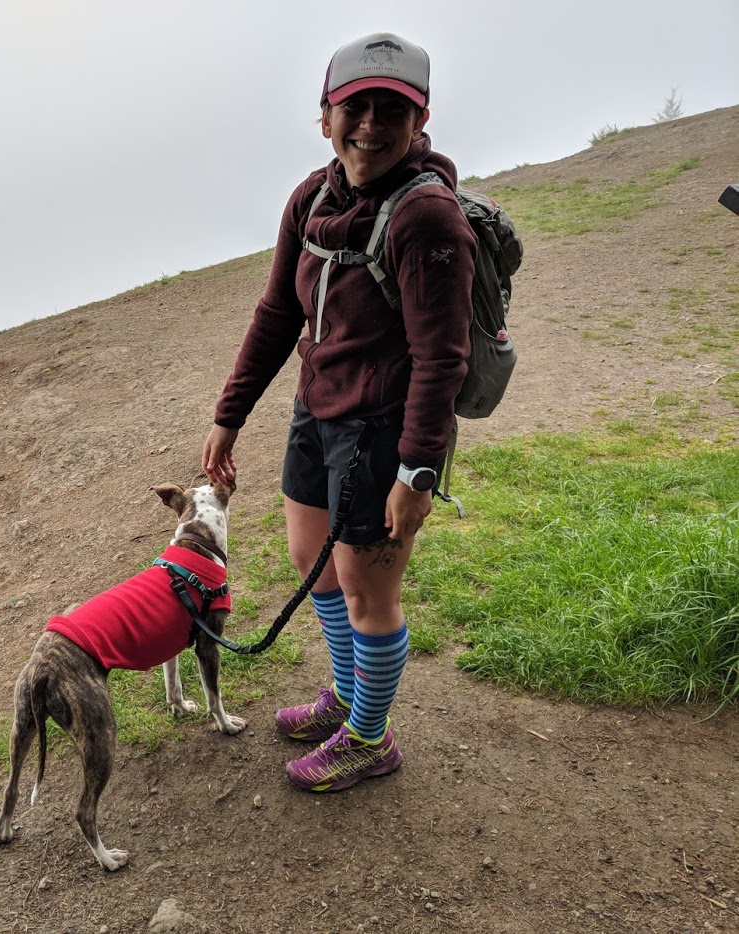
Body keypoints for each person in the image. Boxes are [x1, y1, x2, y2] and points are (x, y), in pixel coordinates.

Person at [200, 32, 476, 792]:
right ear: (324, 115)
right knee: (310, 565)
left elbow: (441, 358)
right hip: (315, 414)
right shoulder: (310, 197)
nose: (371, 124)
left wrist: (416, 472)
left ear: (419, 125)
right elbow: (273, 312)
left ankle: (368, 736)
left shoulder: (428, 220)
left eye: (394, 110)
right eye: (355, 105)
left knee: (366, 591)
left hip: (383, 430)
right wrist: (231, 413)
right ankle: (350, 696)